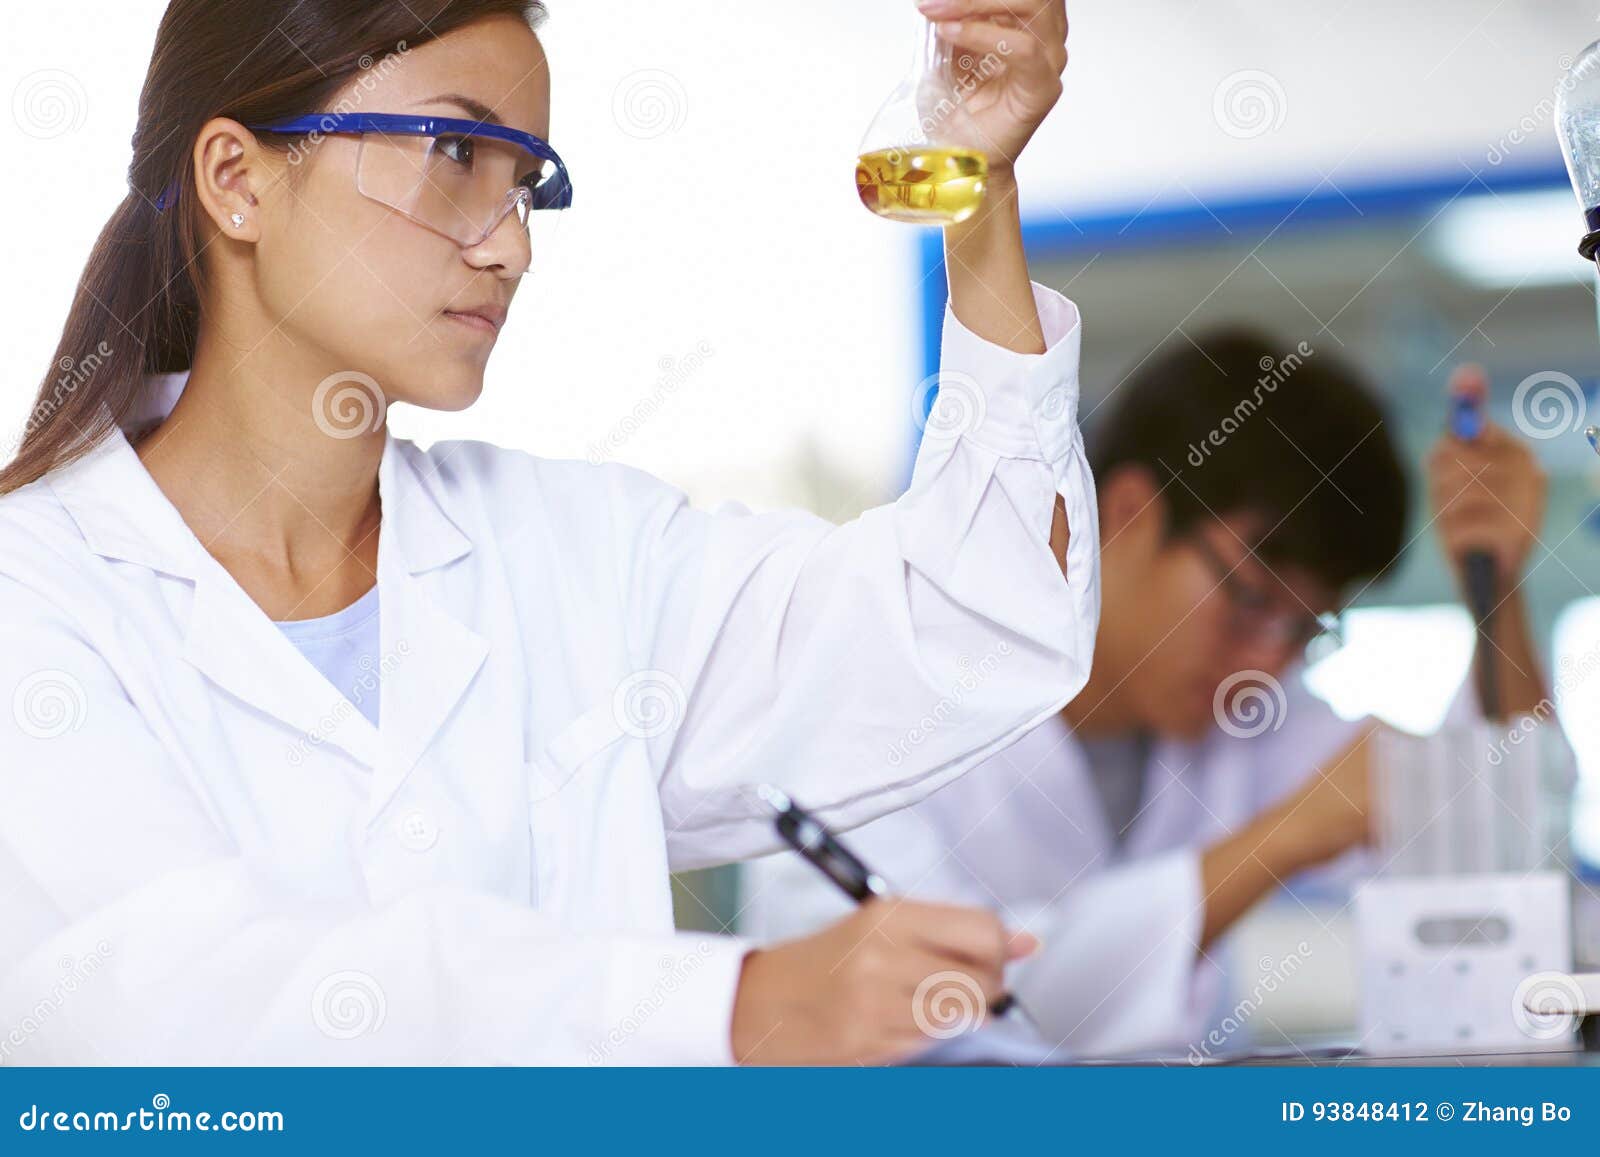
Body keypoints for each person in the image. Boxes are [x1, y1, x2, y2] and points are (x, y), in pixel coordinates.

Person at [0, 0, 1093, 1065]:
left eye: (525, 182)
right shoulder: (35, 592)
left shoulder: (575, 556)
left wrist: (975, 183)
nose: (511, 246)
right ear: (237, 178)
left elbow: (971, 615)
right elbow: (183, 1011)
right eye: (453, 151)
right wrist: (734, 1002)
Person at [746, 330, 1568, 1057]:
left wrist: (1493, 585)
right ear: (1132, 513)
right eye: (1250, 597)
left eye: (1305, 627)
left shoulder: (1244, 716)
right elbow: (950, 1002)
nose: (1266, 659)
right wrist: (1280, 837)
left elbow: (1498, 823)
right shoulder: (893, 700)